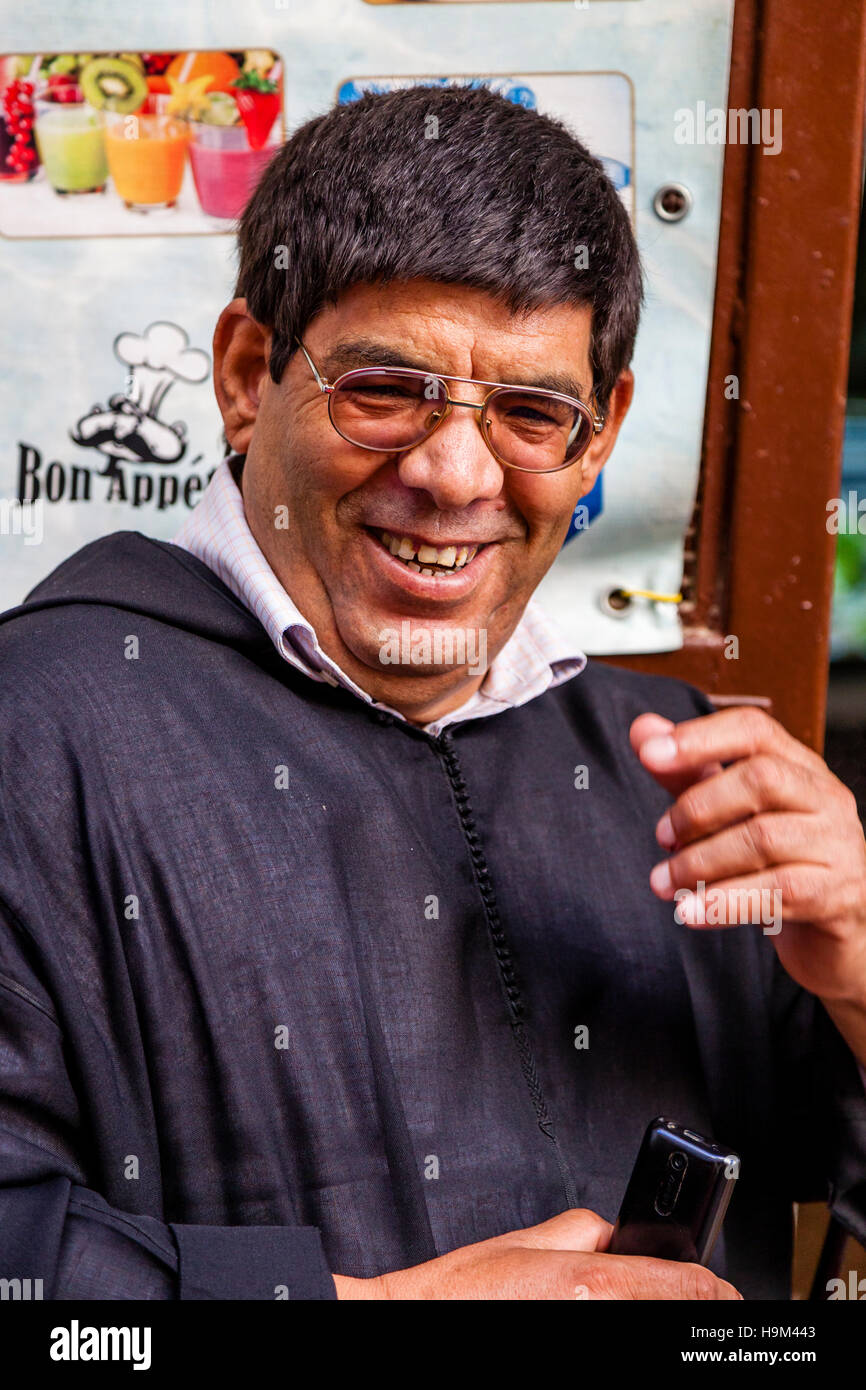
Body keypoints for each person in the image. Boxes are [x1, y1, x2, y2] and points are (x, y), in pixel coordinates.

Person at [1, 83, 864, 1302]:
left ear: (600, 433)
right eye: (385, 389)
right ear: (250, 375)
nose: (455, 474)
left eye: (529, 412)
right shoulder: (35, 731)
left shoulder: (682, 778)